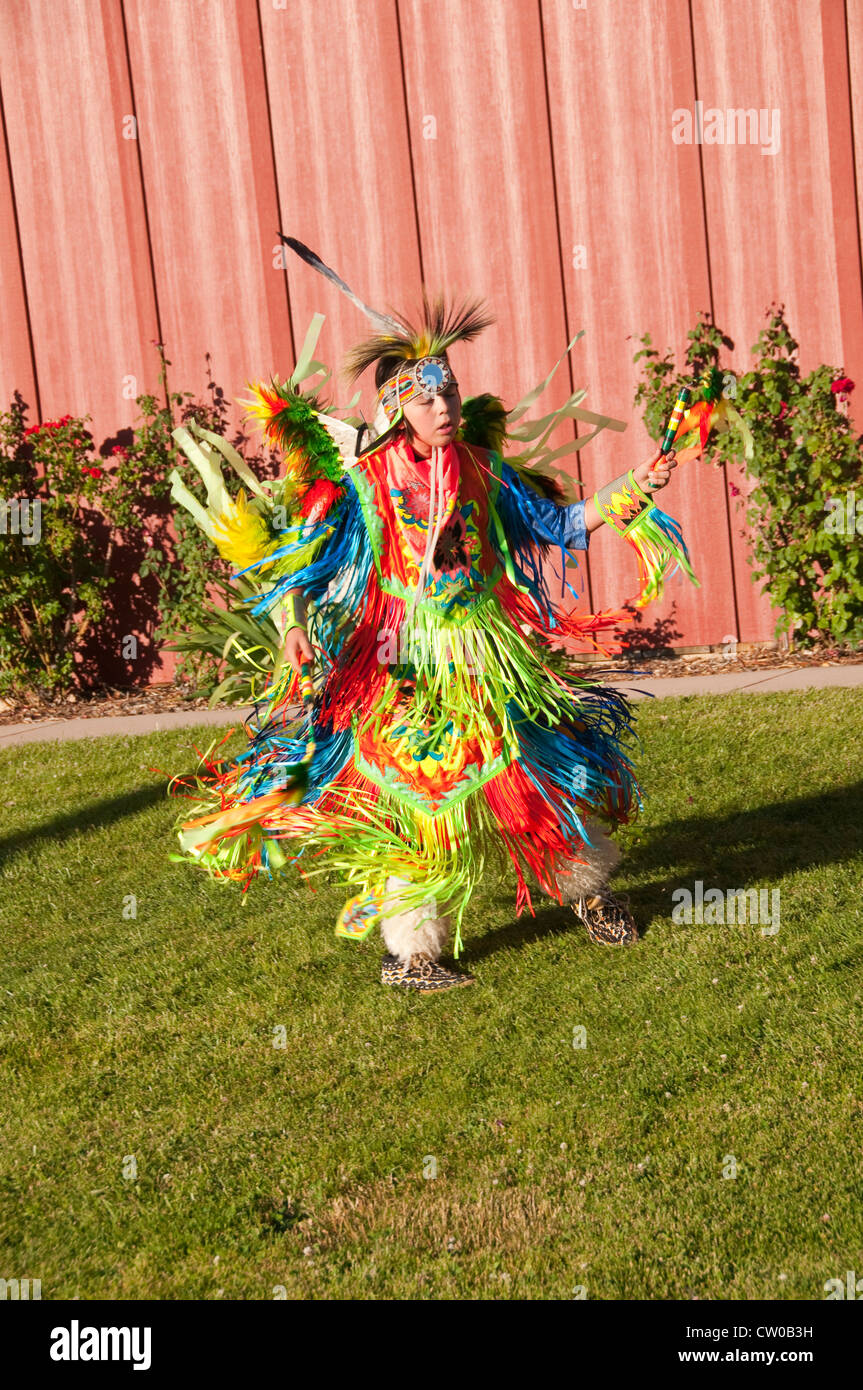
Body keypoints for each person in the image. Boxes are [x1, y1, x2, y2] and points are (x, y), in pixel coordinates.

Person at [166, 239, 694, 994]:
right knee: (412, 800)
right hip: (397, 663)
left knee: (529, 770)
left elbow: (562, 525)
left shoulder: (483, 472)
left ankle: (590, 891)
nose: (443, 408)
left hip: (487, 655)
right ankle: (413, 952)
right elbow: (295, 555)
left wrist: (634, 486)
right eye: (424, 398)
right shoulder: (365, 484)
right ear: (394, 409)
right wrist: (290, 625)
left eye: (447, 393)